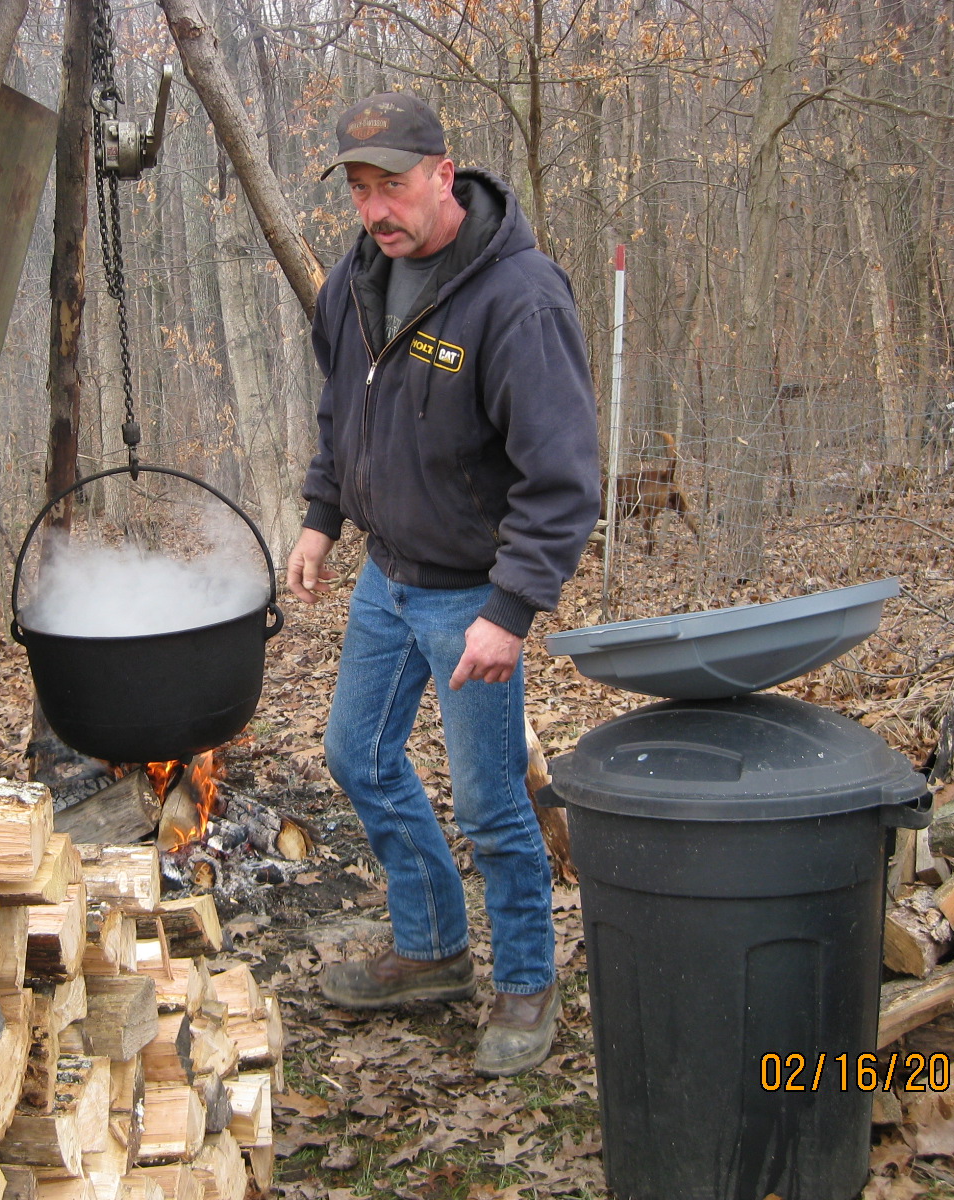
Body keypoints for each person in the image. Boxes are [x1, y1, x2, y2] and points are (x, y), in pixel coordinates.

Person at [285, 92, 601, 1077]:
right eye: (359, 187)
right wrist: (319, 513)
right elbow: (345, 409)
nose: (376, 207)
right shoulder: (355, 278)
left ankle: (524, 980)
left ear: (443, 170)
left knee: (491, 799)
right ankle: (429, 951)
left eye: (393, 183)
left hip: (472, 591)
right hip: (388, 576)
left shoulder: (519, 297)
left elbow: (563, 478)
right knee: (360, 756)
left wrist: (509, 613)